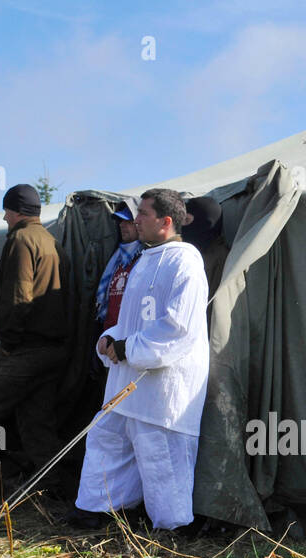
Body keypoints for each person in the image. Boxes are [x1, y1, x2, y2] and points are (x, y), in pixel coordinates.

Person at [72, 188, 209, 531]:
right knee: (106, 440)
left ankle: (172, 529)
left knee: (161, 457)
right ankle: (97, 510)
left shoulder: (185, 261)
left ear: (165, 221)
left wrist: (128, 348)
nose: (136, 221)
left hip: (162, 387)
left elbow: (178, 327)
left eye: (143, 214)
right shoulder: (144, 259)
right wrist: (110, 339)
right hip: (127, 382)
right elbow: (133, 320)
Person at [0, 183, 68, 502]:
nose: (4, 217)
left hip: (25, 348)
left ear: (16, 211)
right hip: (54, 348)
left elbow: (18, 297)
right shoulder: (51, 241)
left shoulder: (21, 239)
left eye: (7, 210)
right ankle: (53, 487)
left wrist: (9, 342)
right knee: (36, 422)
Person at [95, 202, 143, 329]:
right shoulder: (117, 258)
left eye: (128, 221)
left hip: (131, 335)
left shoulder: (148, 258)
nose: (122, 225)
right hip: (110, 333)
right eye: (121, 221)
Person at [182, 195, 229, 297]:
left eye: (186, 220)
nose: (182, 226)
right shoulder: (188, 253)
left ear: (204, 223)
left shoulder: (219, 258)